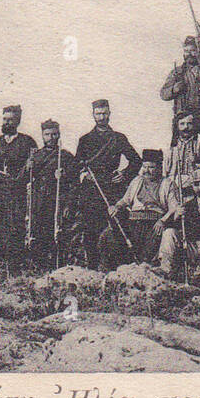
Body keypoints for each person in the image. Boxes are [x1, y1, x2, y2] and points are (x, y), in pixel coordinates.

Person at [75, 99, 143, 271]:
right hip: (92, 189)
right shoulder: (85, 140)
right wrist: (85, 174)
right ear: (93, 115)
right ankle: (92, 267)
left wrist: (124, 174)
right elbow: (77, 165)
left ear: (110, 114)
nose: (102, 117)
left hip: (113, 189)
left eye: (104, 113)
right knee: (91, 228)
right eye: (98, 114)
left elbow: (136, 161)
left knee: (116, 226)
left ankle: (117, 267)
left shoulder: (118, 138)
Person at [0, 105, 37, 275]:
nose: (7, 122)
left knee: (15, 228)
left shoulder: (27, 142)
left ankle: (13, 270)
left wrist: (30, 165)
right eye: (4, 119)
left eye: (10, 119)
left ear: (18, 121)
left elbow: (35, 164)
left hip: (16, 192)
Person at [100, 149, 174, 270]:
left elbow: (174, 207)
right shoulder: (137, 181)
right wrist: (116, 206)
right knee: (109, 236)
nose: (146, 171)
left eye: (151, 167)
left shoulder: (168, 184)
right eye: (144, 166)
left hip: (154, 224)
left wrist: (163, 221)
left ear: (159, 168)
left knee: (146, 256)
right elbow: (125, 200)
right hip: (133, 223)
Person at [22, 119, 77, 270]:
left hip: (58, 199)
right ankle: (40, 268)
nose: (51, 138)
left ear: (59, 135)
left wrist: (63, 176)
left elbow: (75, 184)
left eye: (54, 134)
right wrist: (28, 168)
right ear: (42, 135)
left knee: (58, 233)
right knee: (39, 233)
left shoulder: (65, 157)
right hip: (40, 200)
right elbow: (24, 179)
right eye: (47, 134)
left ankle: (58, 267)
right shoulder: (36, 156)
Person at [160, 35, 200, 134]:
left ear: (198, 52)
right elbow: (163, 94)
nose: (189, 54)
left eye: (193, 51)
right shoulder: (177, 71)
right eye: (186, 51)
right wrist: (174, 89)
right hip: (184, 118)